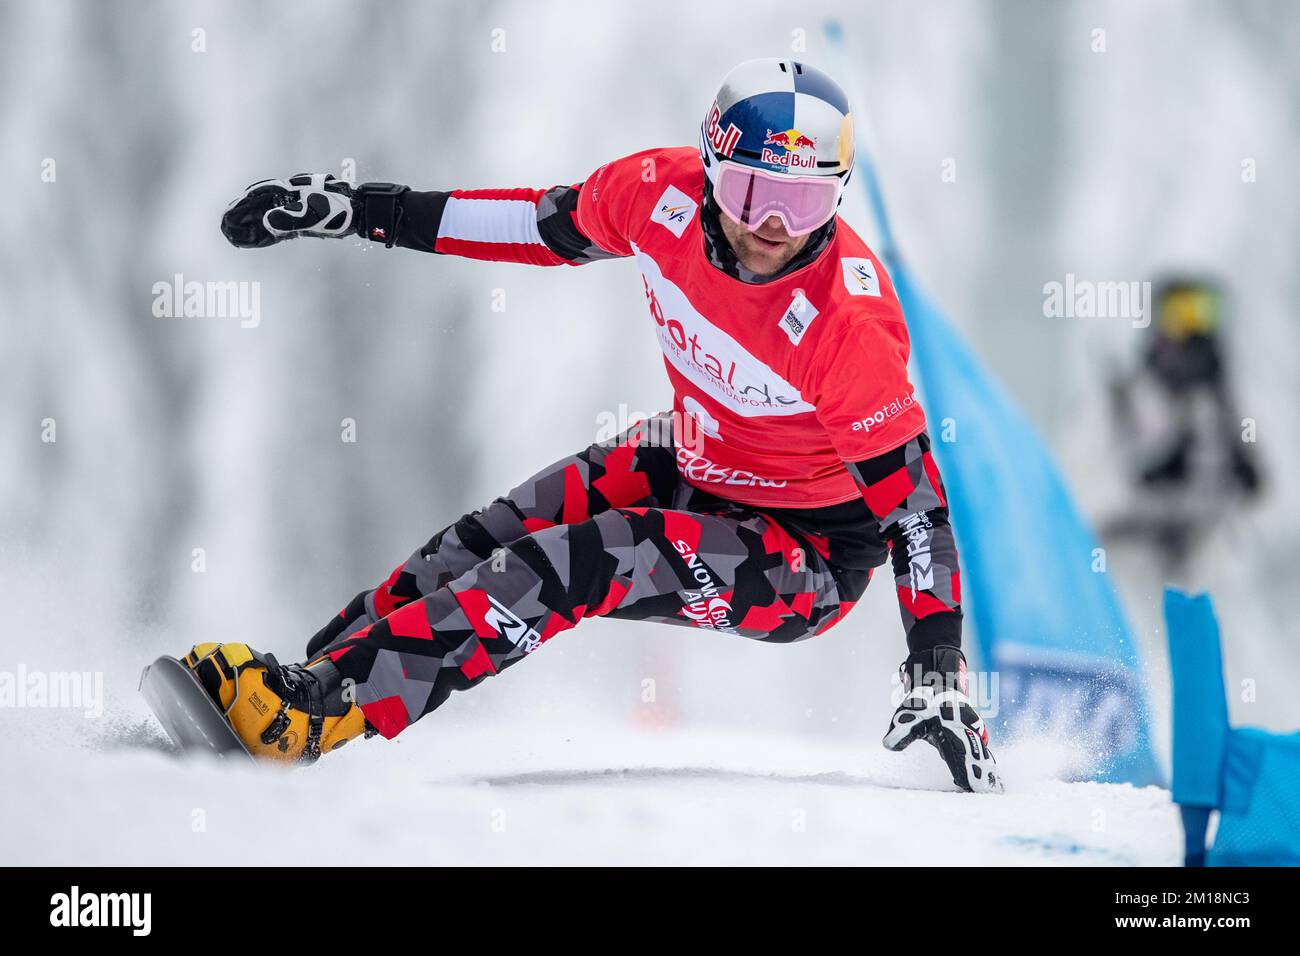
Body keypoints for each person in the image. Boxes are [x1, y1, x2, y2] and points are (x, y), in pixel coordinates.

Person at [186, 58, 1001, 793]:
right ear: (712, 173)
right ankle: (307, 683)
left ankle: (321, 713)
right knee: (488, 538)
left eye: (805, 199)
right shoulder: (656, 194)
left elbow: (918, 514)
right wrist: (354, 209)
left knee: (580, 561)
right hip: (694, 451)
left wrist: (935, 671)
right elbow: (526, 228)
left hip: (809, 554)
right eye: (755, 192)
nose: (776, 229)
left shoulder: (848, 327)